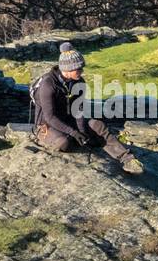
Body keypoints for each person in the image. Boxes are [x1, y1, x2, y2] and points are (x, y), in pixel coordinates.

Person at [30, 45, 144, 174]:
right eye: (78, 68)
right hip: (46, 124)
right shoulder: (48, 84)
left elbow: (78, 109)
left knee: (97, 125)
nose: (81, 71)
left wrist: (82, 131)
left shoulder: (79, 82)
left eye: (82, 67)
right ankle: (58, 139)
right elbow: (50, 117)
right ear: (68, 69)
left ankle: (127, 158)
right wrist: (73, 132)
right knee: (63, 143)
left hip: (69, 119)